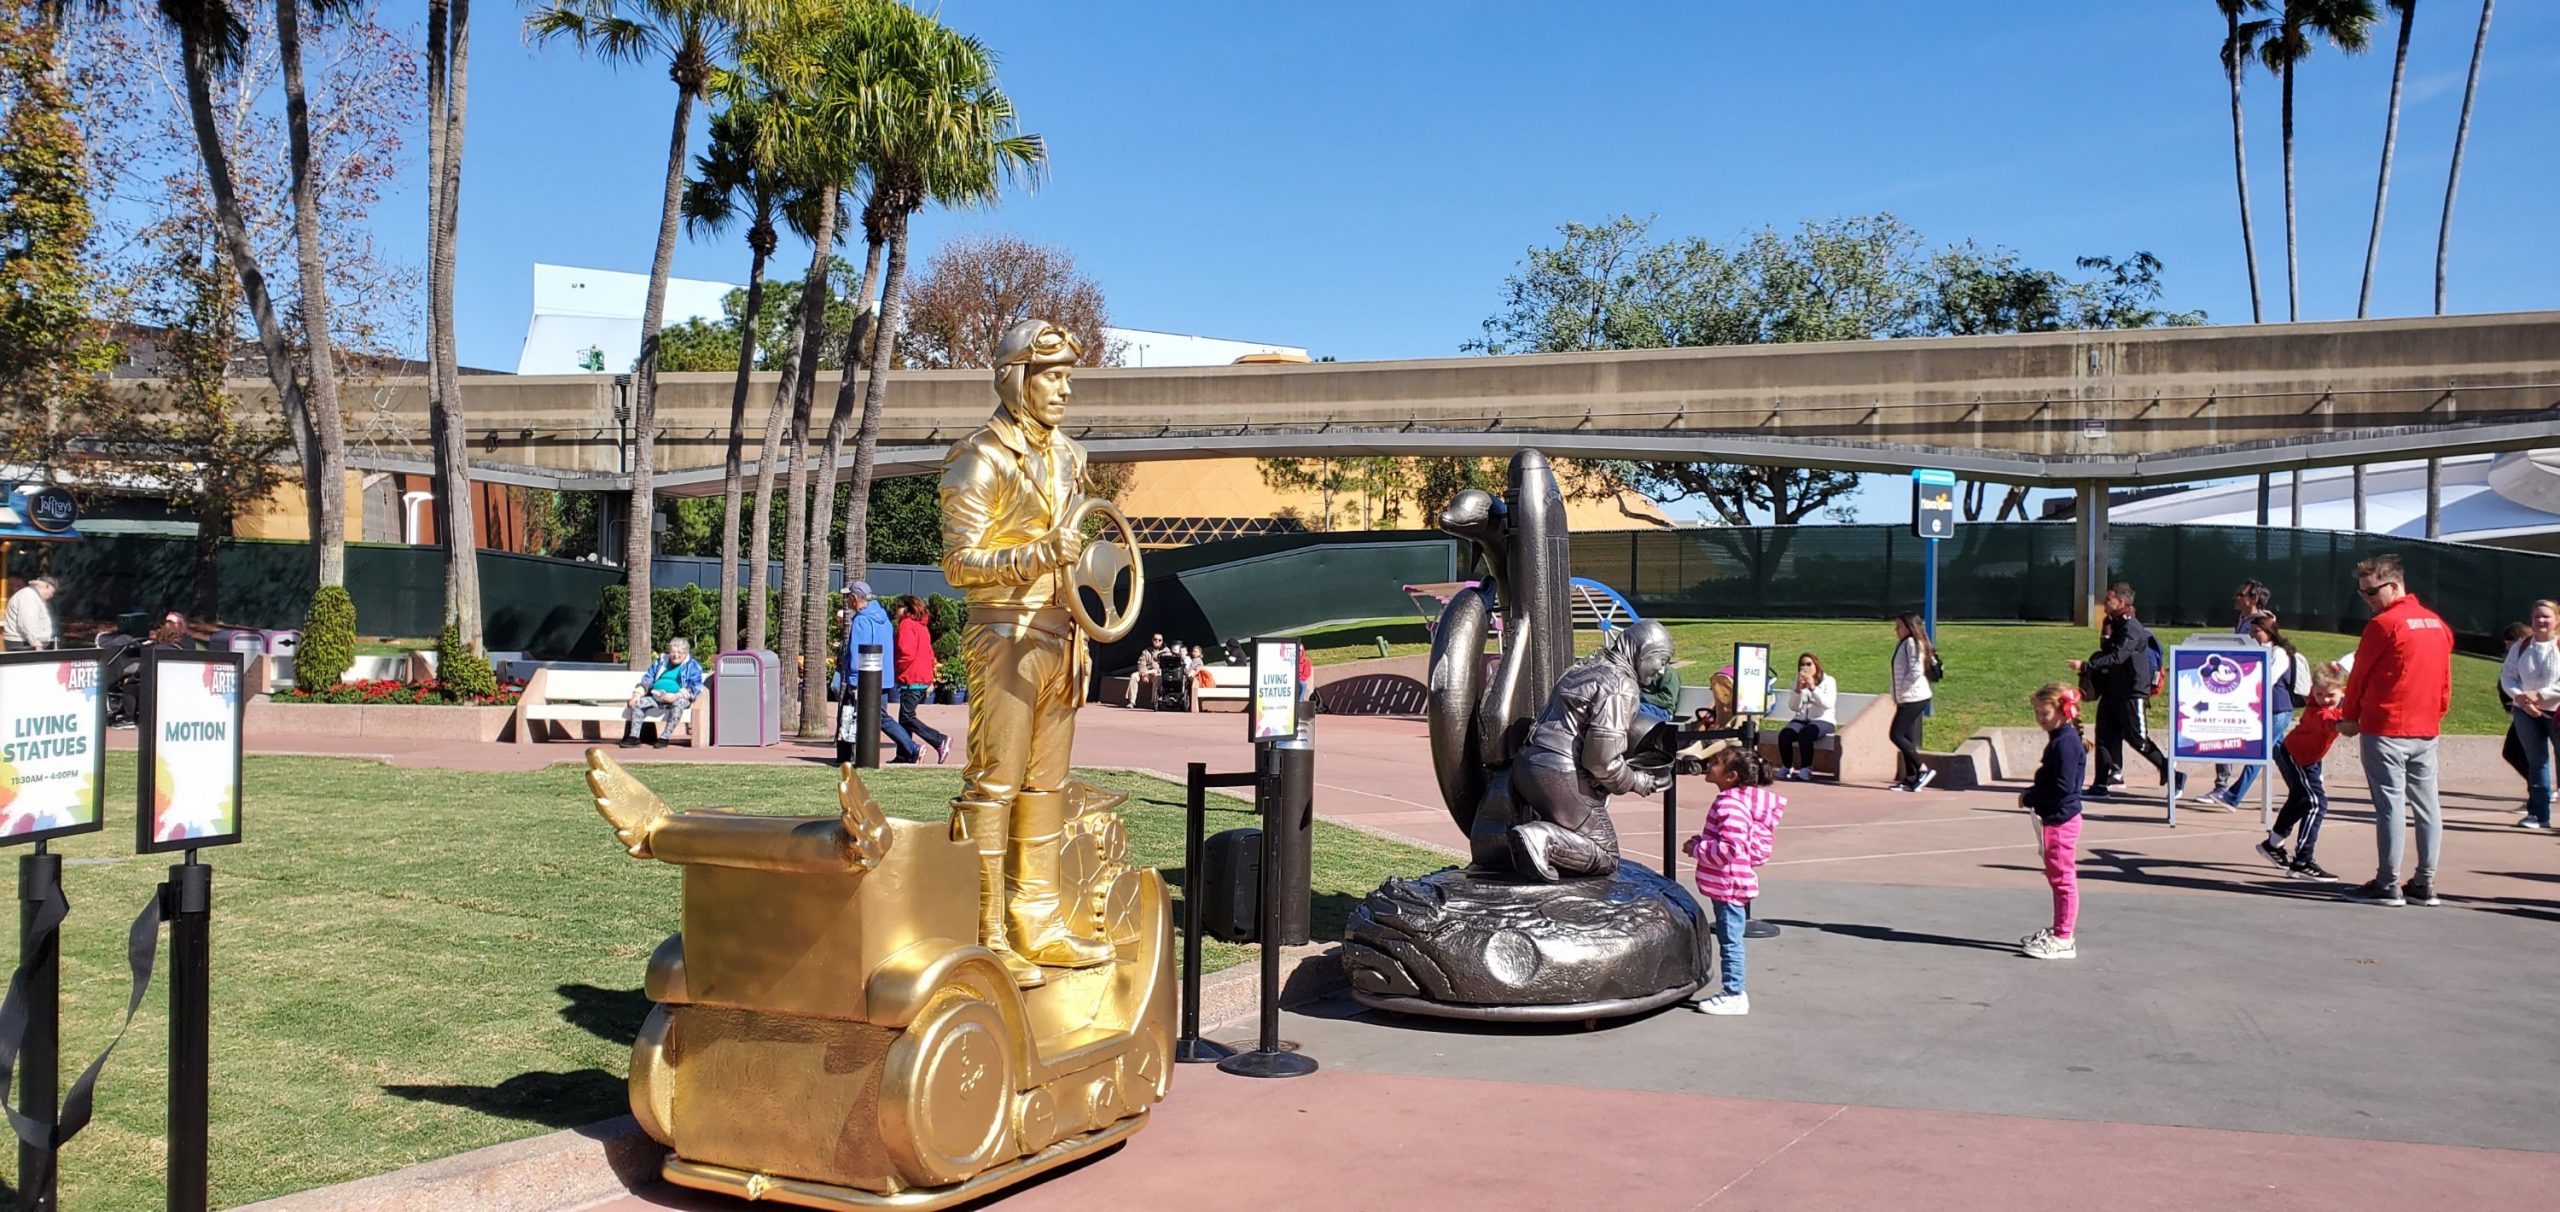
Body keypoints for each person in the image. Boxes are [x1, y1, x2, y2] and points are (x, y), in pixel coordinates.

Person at [940, 318, 1115, 987]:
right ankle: (982, 929)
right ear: (1017, 379)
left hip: (1063, 637)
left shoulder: (1072, 458)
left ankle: (1036, 919)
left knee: (1046, 788)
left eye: (1069, 376)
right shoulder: (979, 457)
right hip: (1004, 634)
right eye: (1052, 376)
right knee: (994, 786)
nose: (1065, 390)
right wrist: (1037, 555)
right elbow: (959, 563)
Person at [1509, 620, 1674, 881]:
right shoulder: (1620, 685)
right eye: (1661, 659)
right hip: (1561, 773)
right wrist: (1637, 781)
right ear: (1644, 652)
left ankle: (1527, 841)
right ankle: (1542, 839)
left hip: (1528, 762)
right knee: (1606, 853)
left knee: (1574, 831)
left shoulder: (1584, 666)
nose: (1662, 671)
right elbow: (1600, 760)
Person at [2338, 554, 2455, 908]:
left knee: (2390, 805)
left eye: (2372, 592)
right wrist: (2438, 712)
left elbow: (2359, 677)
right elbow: (2445, 680)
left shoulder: (2384, 625)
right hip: (2424, 728)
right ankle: (2425, 882)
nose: (2367, 599)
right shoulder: (2437, 624)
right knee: (2427, 806)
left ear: (2394, 585)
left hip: (2386, 727)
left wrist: (2350, 715)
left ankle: (2388, 883)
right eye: (2362, 593)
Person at [1682, 741, 1785, 1015]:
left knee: (1731, 941)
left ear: (1731, 777)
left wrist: (1698, 849)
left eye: (1716, 762)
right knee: (1731, 937)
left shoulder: (1730, 805)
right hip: (1729, 881)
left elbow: (1731, 848)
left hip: (1728, 883)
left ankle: (1734, 993)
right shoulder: (1736, 802)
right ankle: (1733, 991)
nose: (1710, 764)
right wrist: (1702, 840)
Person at [2066, 583, 2181, 800]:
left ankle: (2172, 773)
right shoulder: (2113, 624)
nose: (2104, 603)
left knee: (2138, 738)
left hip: (2132, 692)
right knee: (2104, 737)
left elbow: (2118, 657)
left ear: (2121, 602)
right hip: (2113, 690)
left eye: (2109, 599)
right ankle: (2100, 785)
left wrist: (2086, 666)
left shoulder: (2131, 628)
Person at [2202, 611, 2303, 811]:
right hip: (2265, 710)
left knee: (2259, 753)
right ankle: (2301, 792)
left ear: (2269, 633)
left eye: (2257, 631)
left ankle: (2233, 796)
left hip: (2278, 710)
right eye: (2250, 631)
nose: (2253, 635)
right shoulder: (2257, 651)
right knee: (2280, 754)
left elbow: (2267, 679)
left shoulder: (2278, 653)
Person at [2258, 664, 2347, 882]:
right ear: (2312, 691)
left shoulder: (2344, 700)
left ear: (2343, 691)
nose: (2324, 699)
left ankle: (2273, 844)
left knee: (2299, 799)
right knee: (2316, 803)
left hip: (2309, 758)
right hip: (2298, 757)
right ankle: (2303, 861)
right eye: (2319, 694)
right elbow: (2337, 725)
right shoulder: (2317, 712)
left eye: (2330, 695)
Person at [2018, 683, 2087, 961]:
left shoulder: (2065, 743)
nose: (2039, 719)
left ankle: (2063, 937)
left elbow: (2062, 786)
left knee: (2063, 880)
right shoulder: (2061, 738)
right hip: (2055, 817)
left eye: (2044, 713)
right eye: (2036, 713)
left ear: (2062, 711)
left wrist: (2033, 796)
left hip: (2061, 819)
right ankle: (2060, 929)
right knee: (2057, 877)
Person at [839, 583, 920, 765]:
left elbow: (857, 652)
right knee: (878, 717)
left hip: (864, 680)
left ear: (855, 598)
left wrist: (854, 683)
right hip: (883, 678)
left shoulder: (860, 620)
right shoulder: (884, 620)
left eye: (849, 596)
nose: (847, 600)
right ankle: (910, 748)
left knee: (852, 716)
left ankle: (911, 747)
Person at [2210, 581, 2275, 801]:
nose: (2235, 598)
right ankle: (2222, 784)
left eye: (2241, 594)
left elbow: (2263, 652)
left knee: (2269, 741)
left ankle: (2224, 787)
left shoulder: (2264, 621)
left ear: (2254, 599)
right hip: (2236, 682)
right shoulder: (2242, 620)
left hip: (2251, 687)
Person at [2498, 599, 2560, 830]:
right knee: (2537, 763)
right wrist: (2521, 699)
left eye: (2546, 616)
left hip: (2556, 712)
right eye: (2536, 617)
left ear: (2556, 620)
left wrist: (2539, 695)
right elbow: (2508, 677)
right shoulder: (2521, 646)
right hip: (2525, 712)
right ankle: (2538, 814)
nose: (2541, 621)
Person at [894, 595, 951, 764]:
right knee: (904, 717)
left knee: (906, 717)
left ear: (906, 609)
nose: (895, 610)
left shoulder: (906, 625)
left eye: (898, 606)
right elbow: (929, 654)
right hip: (921, 678)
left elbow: (906, 653)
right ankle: (904, 755)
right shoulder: (922, 627)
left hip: (912, 678)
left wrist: (896, 666)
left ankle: (939, 740)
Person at [623, 637, 703, 748]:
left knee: (679, 704)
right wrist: (637, 694)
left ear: (686, 653)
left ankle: (664, 738)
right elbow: (648, 678)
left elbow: (696, 687)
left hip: (679, 698)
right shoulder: (661, 661)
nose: (676, 655)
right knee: (639, 702)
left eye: (680, 652)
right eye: (673, 652)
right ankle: (634, 737)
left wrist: (675, 696)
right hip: (657, 697)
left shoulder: (692, 665)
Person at [1888, 613, 1934, 791]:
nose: (1896, 630)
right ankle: (1910, 778)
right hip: (1906, 697)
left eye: (1899, 626)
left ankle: (1922, 770)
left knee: (1896, 734)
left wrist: (1903, 688)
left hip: (1915, 697)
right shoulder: (1904, 643)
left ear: (1909, 627)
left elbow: (1916, 671)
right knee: (1906, 737)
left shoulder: (1912, 643)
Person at [1776, 652, 1837, 781]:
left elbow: (1827, 704)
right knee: (1785, 734)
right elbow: (1794, 707)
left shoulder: (1829, 681)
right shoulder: (1797, 681)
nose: (1805, 668)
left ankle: (1806, 768)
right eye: (1802, 665)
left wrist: (1813, 688)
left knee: (1806, 734)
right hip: (1802, 719)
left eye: (1809, 664)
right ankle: (1787, 766)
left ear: (1816, 665)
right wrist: (1798, 691)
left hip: (1823, 720)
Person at [3, 576, 56, 651]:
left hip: (24, 642)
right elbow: (27, 622)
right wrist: (35, 643)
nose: (51, 595)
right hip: (23, 644)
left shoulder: (32, 596)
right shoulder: (29, 597)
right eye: (52, 592)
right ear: (46, 586)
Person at [1124, 632, 1174, 708]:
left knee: (1158, 679)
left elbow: (1168, 666)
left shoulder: (1167, 652)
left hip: (1159, 673)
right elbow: (1141, 664)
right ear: (1152, 640)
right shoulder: (1146, 651)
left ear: (1162, 641)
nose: (1157, 641)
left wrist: (1158, 671)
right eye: (1155, 639)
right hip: (1147, 672)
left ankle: (1154, 702)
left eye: (1160, 640)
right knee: (1134, 676)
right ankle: (1132, 702)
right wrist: (1144, 674)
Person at [1638, 656, 1681, 726]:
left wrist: (1640, 696)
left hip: (1663, 711)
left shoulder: (1669, 674)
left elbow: (1666, 700)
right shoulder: (1644, 671)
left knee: (1635, 708)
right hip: (1646, 707)